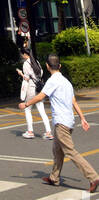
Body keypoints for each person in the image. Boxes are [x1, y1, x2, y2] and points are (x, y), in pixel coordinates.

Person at [21, 54, 98, 192]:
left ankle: (93, 177)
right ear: (60, 66)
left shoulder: (52, 81)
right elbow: (73, 101)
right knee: (57, 150)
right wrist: (82, 118)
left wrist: (26, 104)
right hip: (68, 121)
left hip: (61, 122)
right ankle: (54, 177)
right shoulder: (66, 82)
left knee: (70, 151)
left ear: (47, 66)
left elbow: (41, 96)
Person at [17, 47, 51, 140]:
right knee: (42, 110)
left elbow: (27, 78)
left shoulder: (26, 64)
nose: (21, 55)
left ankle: (30, 131)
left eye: (21, 54)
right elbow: (40, 74)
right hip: (39, 89)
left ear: (24, 54)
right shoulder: (36, 62)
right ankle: (48, 132)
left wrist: (21, 74)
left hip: (31, 89)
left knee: (27, 109)